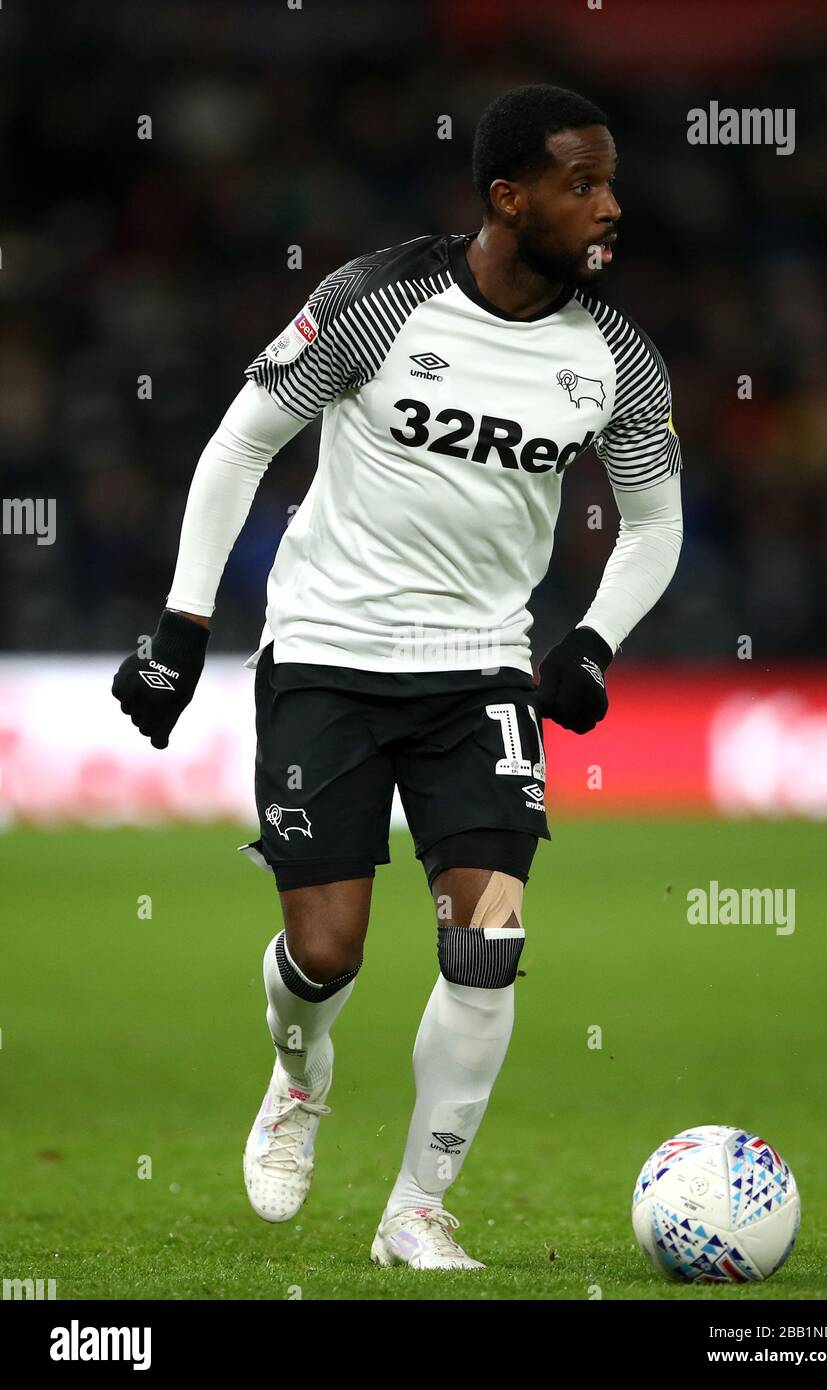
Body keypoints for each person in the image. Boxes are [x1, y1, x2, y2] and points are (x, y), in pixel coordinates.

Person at [111, 83, 683, 1270]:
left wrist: (590, 640)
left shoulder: (614, 359)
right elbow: (241, 441)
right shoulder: (379, 302)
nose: (608, 207)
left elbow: (654, 522)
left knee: (486, 941)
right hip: (326, 649)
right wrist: (181, 624)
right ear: (507, 197)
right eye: (582, 184)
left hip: (477, 675)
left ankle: (415, 1211)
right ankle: (297, 1073)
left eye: (610, 181)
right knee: (327, 950)